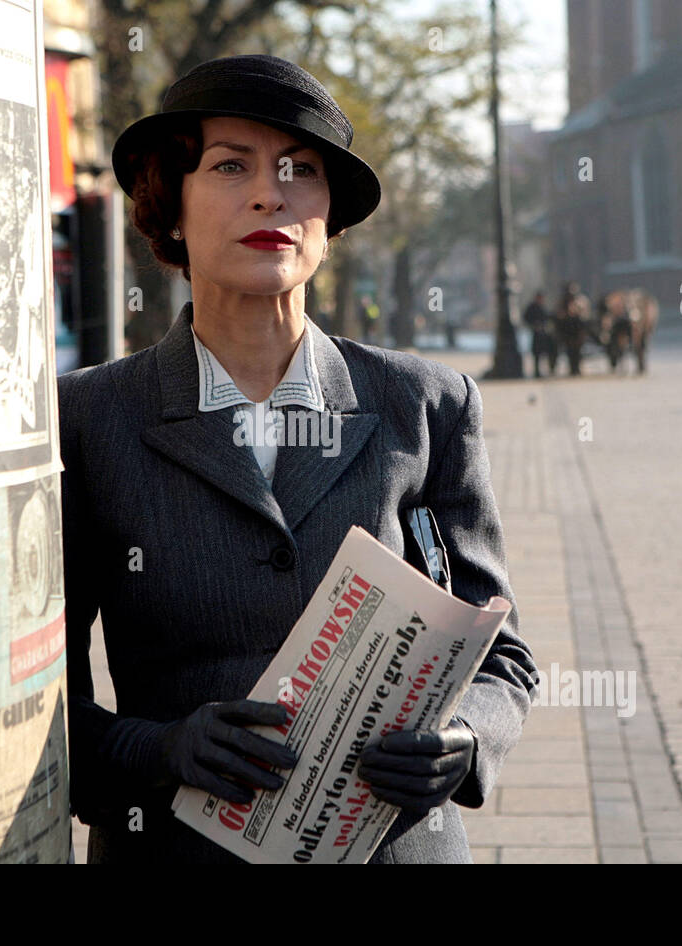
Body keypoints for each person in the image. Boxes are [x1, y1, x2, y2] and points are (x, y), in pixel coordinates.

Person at [59, 54, 538, 864]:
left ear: (328, 217)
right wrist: (158, 748)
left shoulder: (427, 404)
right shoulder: (88, 417)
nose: (268, 193)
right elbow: (38, 701)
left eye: (299, 169)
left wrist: (463, 737)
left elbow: (505, 657)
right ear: (168, 206)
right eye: (229, 165)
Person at [522, 290, 556, 378]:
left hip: (544, 334)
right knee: (536, 354)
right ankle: (537, 371)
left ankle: (549, 369)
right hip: (536, 334)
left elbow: (548, 318)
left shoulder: (543, 307)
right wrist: (534, 325)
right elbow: (526, 318)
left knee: (547, 352)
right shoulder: (532, 307)